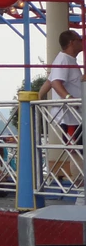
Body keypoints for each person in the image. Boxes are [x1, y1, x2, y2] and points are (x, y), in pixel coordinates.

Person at [46, 29, 84, 178]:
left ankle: (80, 191)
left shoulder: (66, 59)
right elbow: (55, 82)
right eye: (79, 39)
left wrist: (37, 96)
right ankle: (80, 193)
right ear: (71, 42)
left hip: (75, 116)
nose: (82, 42)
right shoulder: (64, 59)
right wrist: (68, 98)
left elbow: (50, 80)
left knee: (78, 150)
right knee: (77, 151)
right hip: (71, 117)